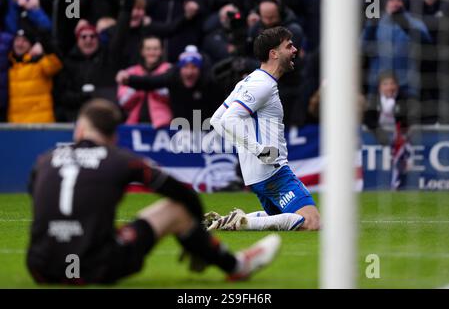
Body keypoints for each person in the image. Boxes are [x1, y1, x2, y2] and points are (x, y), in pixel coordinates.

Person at [26, 98, 281, 285]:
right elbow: (185, 195)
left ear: (79, 130)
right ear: (114, 137)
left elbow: (40, 199)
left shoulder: (44, 160)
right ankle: (236, 265)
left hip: (40, 267)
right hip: (96, 268)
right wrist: (197, 241)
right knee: (177, 210)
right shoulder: (121, 160)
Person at [209, 26, 320, 231]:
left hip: (256, 175)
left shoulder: (249, 80)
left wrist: (249, 149)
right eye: (289, 46)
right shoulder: (262, 84)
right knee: (312, 222)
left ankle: (228, 220)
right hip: (273, 172)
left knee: (284, 219)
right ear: (274, 53)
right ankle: (241, 222)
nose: (295, 50)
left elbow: (217, 120)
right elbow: (227, 120)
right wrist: (259, 150)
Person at [117, 36, 172, 127]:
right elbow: (123, 102)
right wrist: (137, 85)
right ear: (142, 51)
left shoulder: (170, 70)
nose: (152, 52)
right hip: (134, 125)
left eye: (155, 49)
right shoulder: (130, 72)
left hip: (164, 125)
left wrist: (144, 82)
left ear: (161, 51)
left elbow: (173, 96)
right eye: (148, 49)